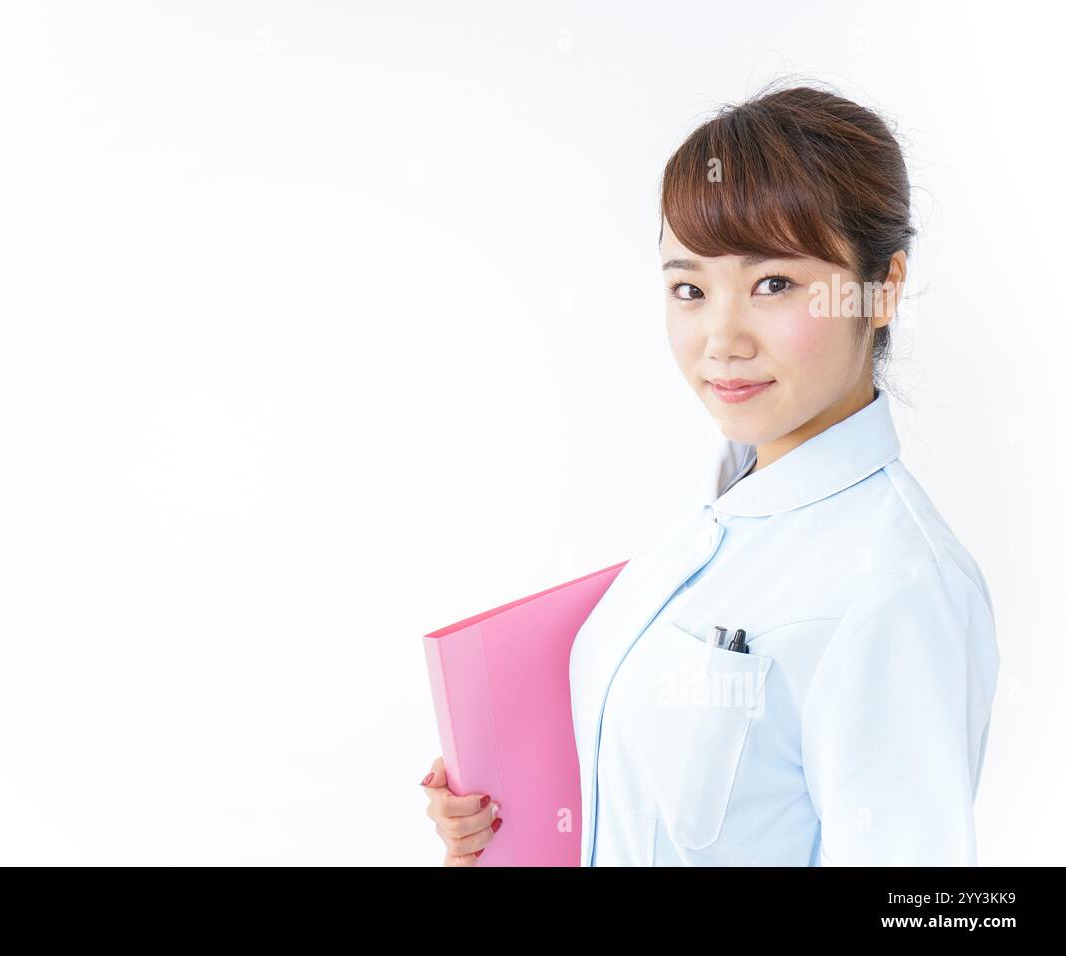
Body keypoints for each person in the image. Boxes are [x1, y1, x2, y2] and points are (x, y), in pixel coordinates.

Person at [421, 80, 998, 866]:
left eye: (774, 285)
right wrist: (500, 829)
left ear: (882, 288)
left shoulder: (898, 588)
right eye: (690, 288)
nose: (721, 339)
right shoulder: (704, 526)